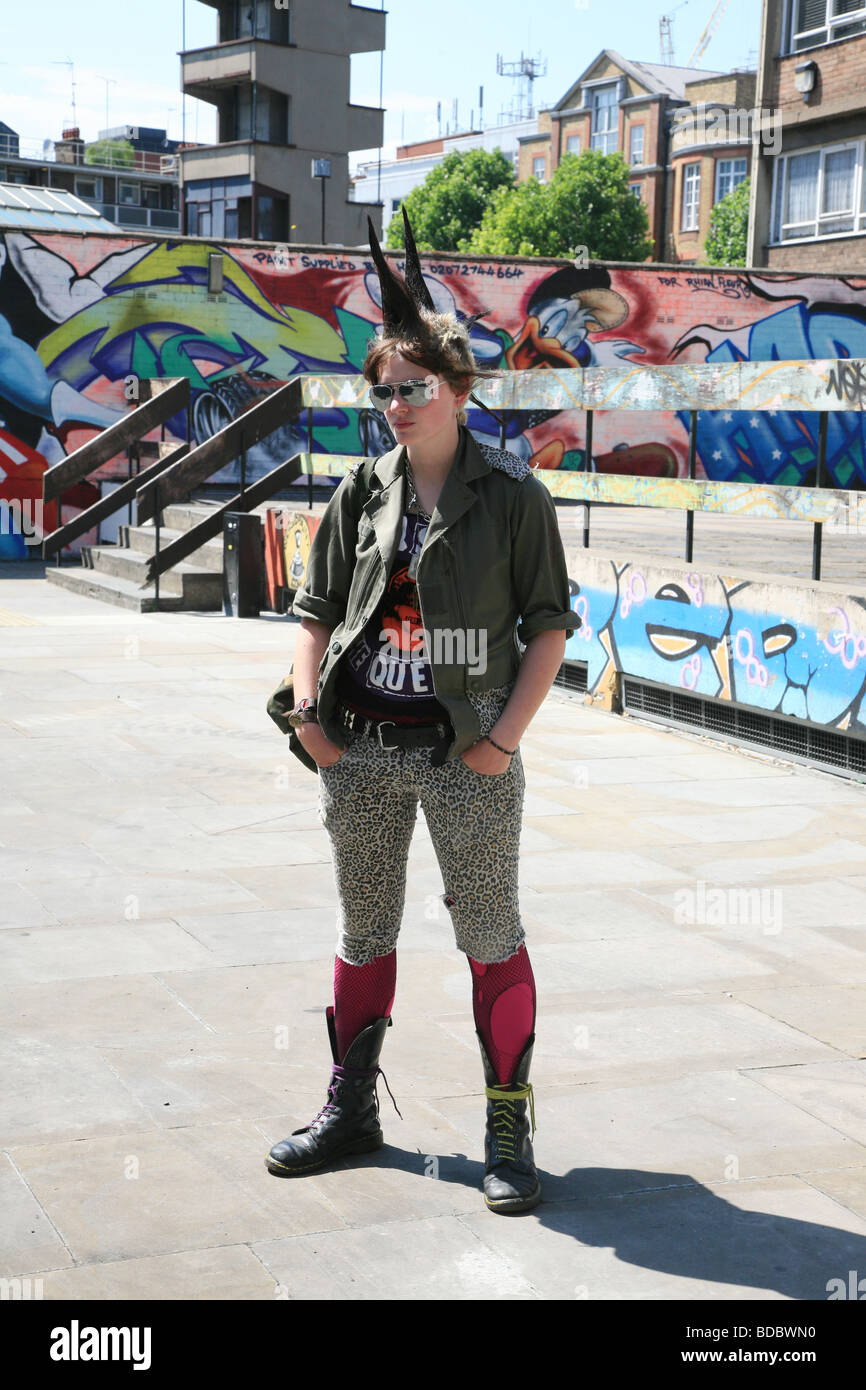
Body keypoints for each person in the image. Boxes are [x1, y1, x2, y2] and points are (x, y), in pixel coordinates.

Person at [265, 210, 579, 1213]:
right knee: (364, 930)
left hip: (465, 751)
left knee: (488, 930)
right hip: (358, 750)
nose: (395, 403)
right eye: (383, 388)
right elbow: (312, 610)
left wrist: (500, 741)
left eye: (413, 386)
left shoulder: (513, 498)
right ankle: (350, 1109)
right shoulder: (361, 492)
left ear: (455, 388)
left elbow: (547, 627)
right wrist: (309, 716)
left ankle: (505, 1124)